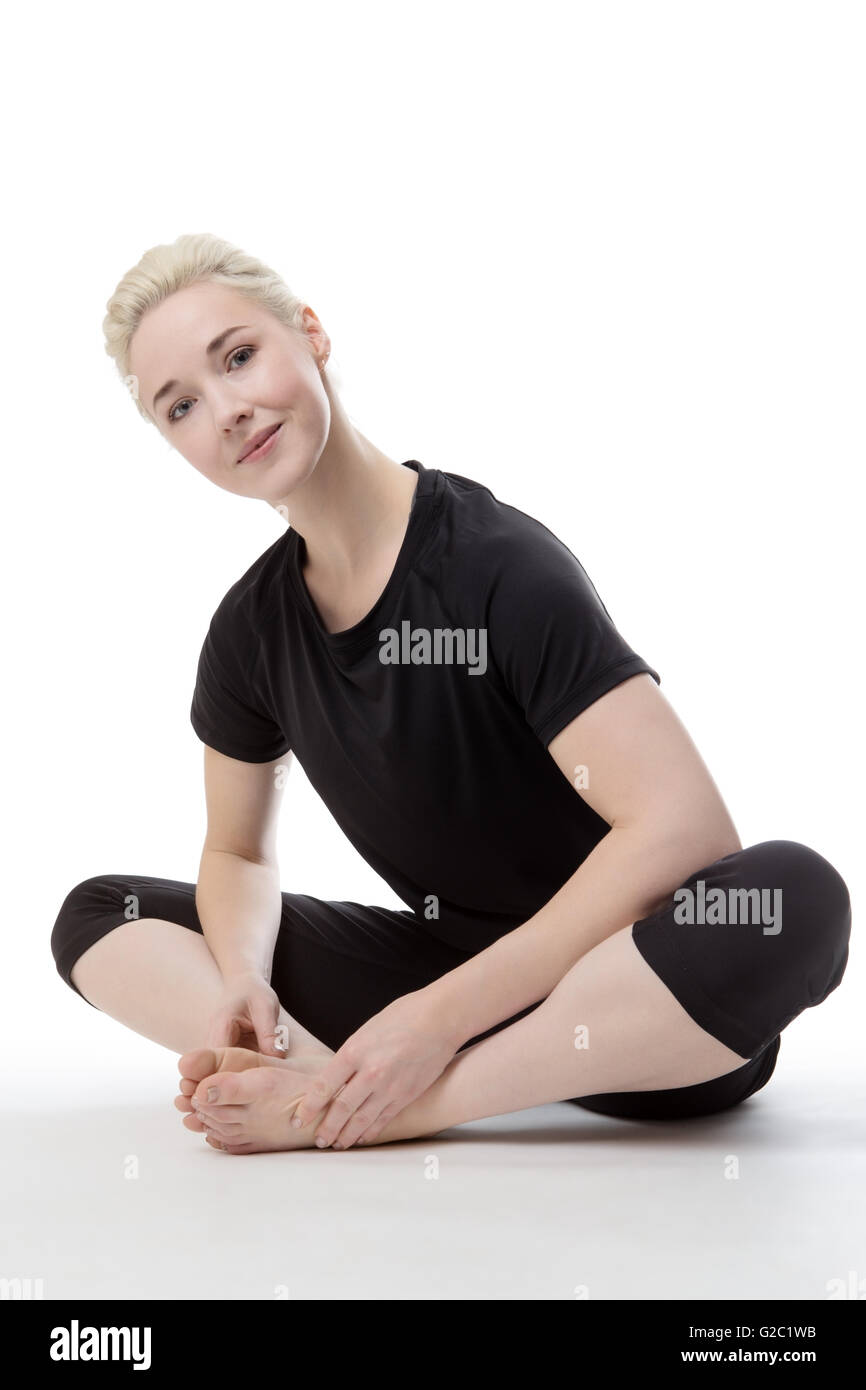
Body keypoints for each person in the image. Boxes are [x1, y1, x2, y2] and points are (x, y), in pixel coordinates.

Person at [50, 233, 851, 1156]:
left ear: (311, 332)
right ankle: (332, 1082)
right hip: (448, 979)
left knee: (793, 896)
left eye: (238, 357)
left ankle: (375, 1106)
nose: (227, 411)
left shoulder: (496, 565)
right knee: (100, 912)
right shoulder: (250, 631)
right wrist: (242, 976)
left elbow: (684, 829)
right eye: (182, 405)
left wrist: (433, 1022)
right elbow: (235, 851)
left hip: (643, 1000)